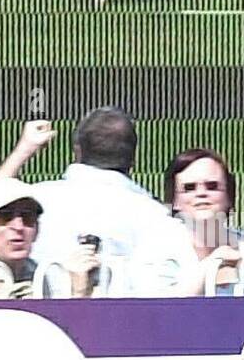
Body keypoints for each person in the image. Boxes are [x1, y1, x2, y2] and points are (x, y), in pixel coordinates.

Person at [28, 107, 198, 296]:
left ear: (77, 150)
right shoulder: (156, 215)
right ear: (133, 158)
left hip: (38, 320)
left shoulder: (30, 200)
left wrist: (25, 149)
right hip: (127, 321)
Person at [164, 149, 244, 295]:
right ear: (174, 200)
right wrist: (212, 264)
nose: (201, 193)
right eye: (189, 188)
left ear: (229, 196)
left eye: (212, 186)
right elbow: (161, 309)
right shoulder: (158, 248)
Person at [0, 178, 97, 299]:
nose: (18, 227)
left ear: (37, 229)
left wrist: (79, 293)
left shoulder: (48, 276)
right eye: (5, 216)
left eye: (28, 217)